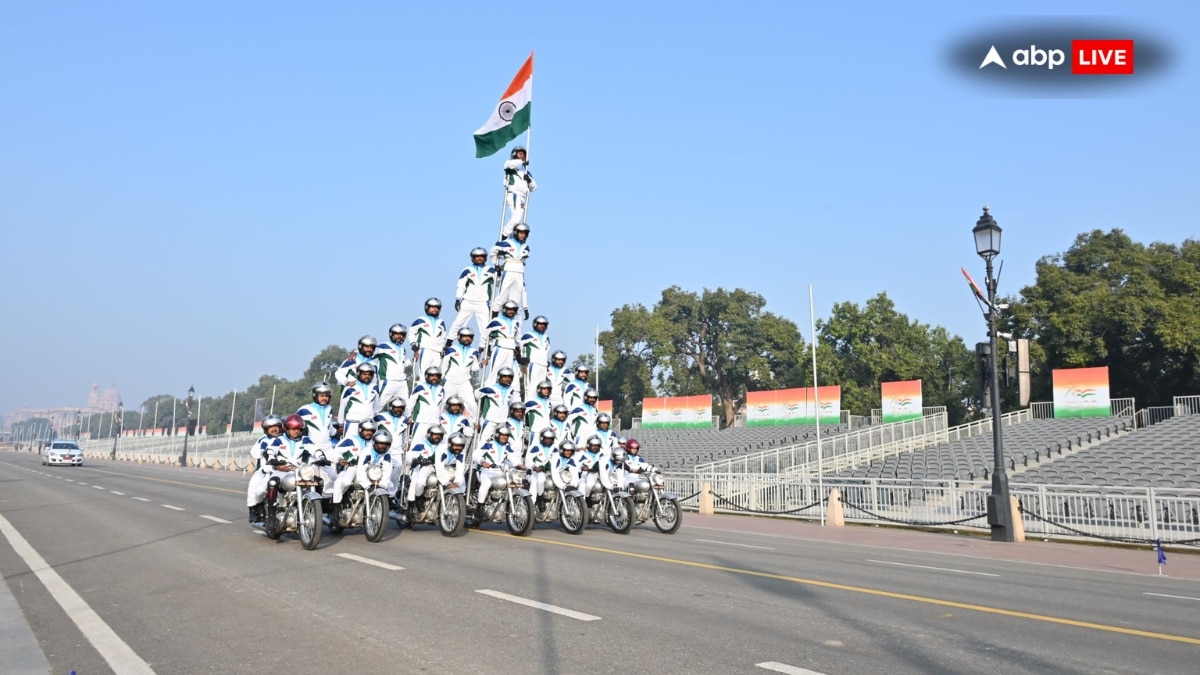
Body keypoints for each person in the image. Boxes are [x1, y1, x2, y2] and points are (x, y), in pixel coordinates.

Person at [448, 248, 497, 341]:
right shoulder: (467, 270)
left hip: (482, 303)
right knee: (458, 324)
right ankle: (448, 343)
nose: (479, 258)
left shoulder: (490, 270)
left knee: (486, 326)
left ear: (485, 258)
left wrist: (498, 273)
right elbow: (461, 285)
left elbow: (497, 284)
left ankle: (488, 347)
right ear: (473, 258)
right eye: (477, 257)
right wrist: (458, 298)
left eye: (481, 257)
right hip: (468, 302)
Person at [246, 414, 284, 523]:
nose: (274, 429)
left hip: (283, 471)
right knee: (254, 487)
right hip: (265, 471)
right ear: (266, 429)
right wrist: (265, 452)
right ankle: (254, 509)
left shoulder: (285, 439)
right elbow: (255, 453)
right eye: (270, 427)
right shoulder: (262, 440)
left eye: (276, 426)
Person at [331, 420, 376, 509]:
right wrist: (340, 460)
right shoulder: (350, 439)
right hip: (350, 468)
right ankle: (336, 509)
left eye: (371, 431)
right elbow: (336, 451)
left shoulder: (375, 442)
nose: (369, 433)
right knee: (342, 482)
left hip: (369, 470)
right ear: (360, 430)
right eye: (367, 430)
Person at [472, 424, 513, 518]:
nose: (504, 437)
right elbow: (476, 454)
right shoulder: (488, 443)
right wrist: (483, 462)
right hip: (486, 471)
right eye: (502, 435)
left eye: (506, 435)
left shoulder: (508, 446)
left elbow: (513, 457)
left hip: (501, 472)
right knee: (486, 483)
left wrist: (518, 465)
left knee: (514, 482)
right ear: (497, 434)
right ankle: (480, 507)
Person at [491, 223, 530, 319]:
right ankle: (494, 316)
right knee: (503, 293)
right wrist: (496, 264)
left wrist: (525, 307)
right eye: (520, 233)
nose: (522, 235)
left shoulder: (526, 247)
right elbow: (493, 251)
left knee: (516, 295)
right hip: (509, 269)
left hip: (520, 271)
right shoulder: (507, 243)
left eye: (524, 233)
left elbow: (524, 260)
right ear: (516, 233)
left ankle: (512, 320)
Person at [442, 327, 482, 419]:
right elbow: (444, 366)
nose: (467, 339)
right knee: (441, 402)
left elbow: (474, 368)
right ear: (459, 337)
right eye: (465, 337)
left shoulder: (474, 352)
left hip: (464, 383)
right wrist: (441, 378)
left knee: (472, 405)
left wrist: (481, 364)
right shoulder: (451, 349)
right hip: (450, 381)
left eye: (469, 337)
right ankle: (436, 423)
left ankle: (474, 426)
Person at [340, 362, 383, 439]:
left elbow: (376, 407)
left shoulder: (375, 387)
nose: (367, 376)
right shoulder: (350, 387)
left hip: (368, 426)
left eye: (370, 374)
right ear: (359, 374)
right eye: (364, 374)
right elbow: (342, 406)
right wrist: (340, 423)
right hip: (352, 423)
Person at [502, 146, 537, 238]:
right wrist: (521, 161)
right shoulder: (510, 165)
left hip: (523, 197)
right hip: (514, 194)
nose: (522, 156)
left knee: (518, 223)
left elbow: (534, 187)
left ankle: (511, 239)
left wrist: (529, 180)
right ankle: (504, 235)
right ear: (514, 154)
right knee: (516, 219)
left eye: (524, 155)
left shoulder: (525, 171)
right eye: (520, 154)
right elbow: (508, 165)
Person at [405, 425, 445, 504]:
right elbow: (410, 456)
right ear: (430, 434)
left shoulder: (443, 446)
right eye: (435, 435)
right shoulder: (421, 444)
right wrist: (416, 460)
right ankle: (413, 503)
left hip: (438, 467)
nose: (438, 437)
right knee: (417, 483)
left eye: (440, 435)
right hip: (421, 467)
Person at [483, 300, 522, 383]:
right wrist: (482, 346)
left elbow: (518, 338)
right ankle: (488, 392)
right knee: (495, 371)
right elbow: (485, 333)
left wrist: (520, 351)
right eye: (509, 309)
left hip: (511, 349)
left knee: (508, 373)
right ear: (504, 310)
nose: (511, 311)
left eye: (513, 310)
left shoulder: (516, 322)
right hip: (500, 348)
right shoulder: (496, 321)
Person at [410, 298, 448, 382]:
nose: (434, 309)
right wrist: (413, 344)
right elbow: (412, 332)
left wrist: (443, 349)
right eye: (432, 307)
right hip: (425, 349)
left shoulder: (441, 322)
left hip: (437, 351)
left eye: (437, 307)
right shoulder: (420, 320)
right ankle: (422, 392)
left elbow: (443, 337)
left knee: (436, 374)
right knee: (424, 374)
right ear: (427, 307)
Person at [477, 367, 517, 442]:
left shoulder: (511, 389)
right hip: (490, 421)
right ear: (499, 377)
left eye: (509, 377)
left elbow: (511, 403)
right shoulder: (491, 388)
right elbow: (477, 394)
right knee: (484, 442)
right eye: (505, 377)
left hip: (503, 421)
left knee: (500, 443)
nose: (507, 379)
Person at [407, 366, 445, 444]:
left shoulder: (441, 389)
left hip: (435, 424)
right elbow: (411, 403)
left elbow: (441, 407)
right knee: (415, 446)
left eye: (436, 376)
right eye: (432, 376)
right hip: (421, 423)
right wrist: (407, 417)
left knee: (433, 448)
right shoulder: (420, 387)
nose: (434, 378)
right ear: (427, 376)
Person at [376, 323, 412, 403]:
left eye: (402, 335)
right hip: (388, 381)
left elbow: (401, 365)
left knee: (406, 407)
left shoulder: (403, 350)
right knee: (378, 405)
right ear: (391, 335)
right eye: (397, 334)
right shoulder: (384, 346)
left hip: (402, 382)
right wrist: (355, 353)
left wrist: (412, 361)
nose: (399, 337)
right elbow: (369, 351)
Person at [525, 428, 556, 508]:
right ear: (542, 438)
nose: (549, 440)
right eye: (547, 438)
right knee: (536, 481)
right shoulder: (535, 446)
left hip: (550, 472)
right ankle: (537, 500)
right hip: (534, 472)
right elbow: (528, 459)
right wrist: (534, 467)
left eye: (551, 439)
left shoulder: (555, 448)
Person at [519, 315, 551, 389]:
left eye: (544, 324)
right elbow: (519, 347)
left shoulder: (546, 338)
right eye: (540, 324)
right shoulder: (528, 335)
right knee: (531, 388)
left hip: (543, 365)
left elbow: (546, 351)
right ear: (535, 324)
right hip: (532, 364)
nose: (542, 326)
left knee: (541, 388)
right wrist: (522, 362)